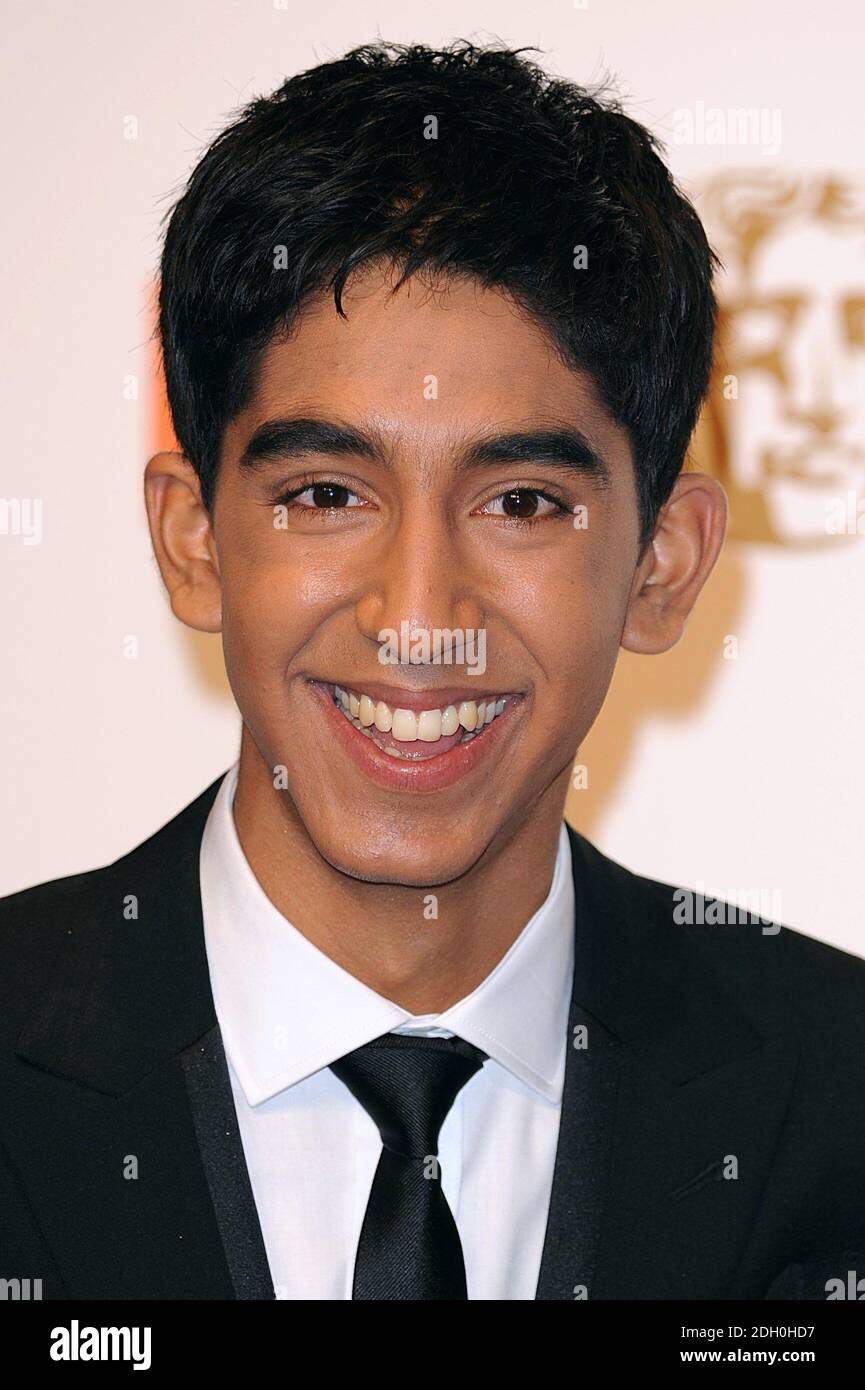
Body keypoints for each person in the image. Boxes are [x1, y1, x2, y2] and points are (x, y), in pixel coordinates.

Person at [2, 40, 863, 1302]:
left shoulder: (837, 1095)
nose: (419, 619)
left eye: (519, 501)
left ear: (664, 566)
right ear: (193, 541)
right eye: (325, 493)